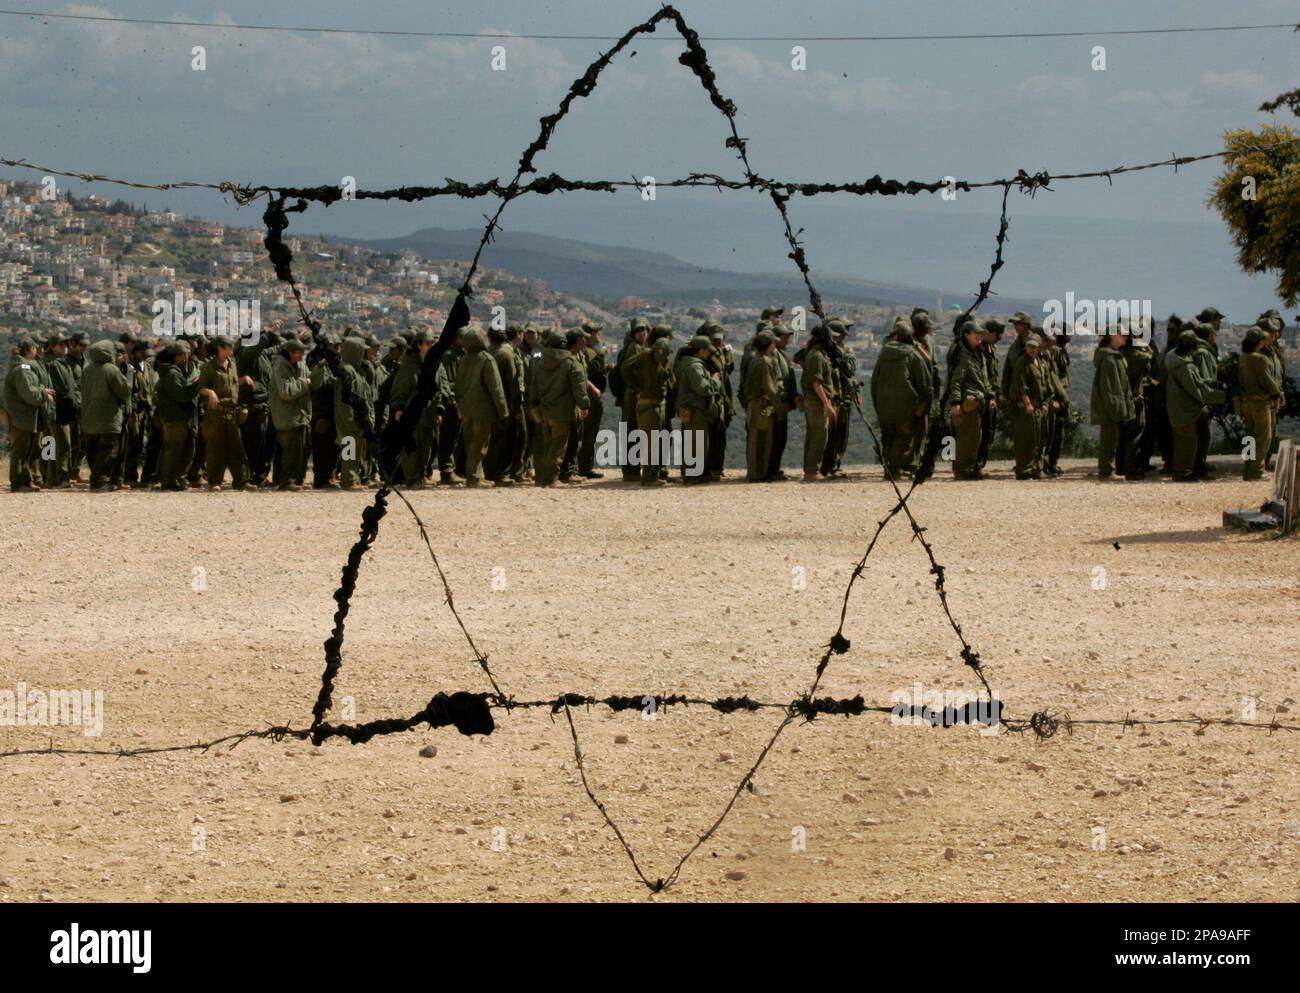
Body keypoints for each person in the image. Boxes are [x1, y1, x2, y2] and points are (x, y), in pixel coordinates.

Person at [871, 316, 930, 479]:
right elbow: (924, 384)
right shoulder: (914, 356)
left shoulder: (883, 355)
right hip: (907, 406)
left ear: (896, 335)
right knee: (903, 438)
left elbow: (874, 381)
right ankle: (895, 469)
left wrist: (877, 404)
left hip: (884, 405)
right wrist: (923, 405)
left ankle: (889, 469)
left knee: (888, 437)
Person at [1166, 328, 1226, 482]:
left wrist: (1210, 382)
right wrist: (1220, 396)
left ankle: (1184, 471)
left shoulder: (1175, 360)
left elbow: (1195, 381)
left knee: (1183, 442)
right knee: (1187, 443)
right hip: (1186, 410)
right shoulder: (1186, 366)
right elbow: (1195, 390)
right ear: (1192, 346)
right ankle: (1183, 474)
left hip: (1178, 408)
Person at [531, 329, 589, 487]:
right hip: (563, 412)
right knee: (558, 447)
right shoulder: (571, 362)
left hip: (544, 410)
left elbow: (533, 386)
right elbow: (579, 388)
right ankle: (551, 479)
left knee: (546, 444)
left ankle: (541, 477)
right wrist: (584, 405)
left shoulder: (539, 361)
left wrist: (533, 406)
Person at [195, 336, 254, 491]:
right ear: (220, 348)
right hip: (215, 414)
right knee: (215, 449)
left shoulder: (232, 365)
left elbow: (233, 383)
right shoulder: (208, 367)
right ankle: (214, 481)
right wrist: (210, 392)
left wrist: (243, 379)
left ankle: (242, 480)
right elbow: (200, 388)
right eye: (229, 347)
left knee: (237, 449)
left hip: (231, 414)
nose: (231, 349)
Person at [454, 325, 510, 487]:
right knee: (480, 444)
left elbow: (458, 385)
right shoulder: (486, 359)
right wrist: (503, 411)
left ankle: (477, 474)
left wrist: (460, 403)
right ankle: (474, 477)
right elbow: (496, 388)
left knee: (470, 441)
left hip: (466, 408)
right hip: (482, 409)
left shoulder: (464, 359)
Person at [388, 329, 441, 489]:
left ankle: (422, 475)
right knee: (412, 446)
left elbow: (438, 389)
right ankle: (412, 478)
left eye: (432, 343)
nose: (430, 346)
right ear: (419, 345)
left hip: (429, 412)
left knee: (426, 446)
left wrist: (439, 409)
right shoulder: (410, 365)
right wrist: (398, 408)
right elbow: (400, 388)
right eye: (427, 343)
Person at [270, 338, 322, 491]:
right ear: (291, 352)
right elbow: (286, 392)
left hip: (301, 416)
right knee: (291, 451)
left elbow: (312, 383)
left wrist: (319, 371)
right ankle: (287, 482)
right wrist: (304, 383)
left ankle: (296, 480)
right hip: (287, 417)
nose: (302, 355)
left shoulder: (300, 366)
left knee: (302, 450)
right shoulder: (280, 368)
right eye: (300, 352)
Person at [3, 337, 55, 492]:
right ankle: (18, 483)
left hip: (25, 416)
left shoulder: (23, 367)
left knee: (28, 450)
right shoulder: (23, 369)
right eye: (35, 348)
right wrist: (43, 394)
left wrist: (41, 390)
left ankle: (26, 480)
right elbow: (29, 393)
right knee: (20, 451)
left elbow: (32, 387)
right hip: (21, 416)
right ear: (31, 349)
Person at [623, 335, 675, 486]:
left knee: (657, 440)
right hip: (647, 403)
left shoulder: (666, 361)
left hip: (660, 403)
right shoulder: (645, 356)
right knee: (650, 441)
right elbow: (626, 368)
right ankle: (649, 477)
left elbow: (672, 381)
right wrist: (635, 387)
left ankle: (654, 474)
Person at [943, 320, 993, 480]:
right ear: (966, 335)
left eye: (980, 333)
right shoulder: (963, 356)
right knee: (965, 439)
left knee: (974, 437)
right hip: (967, 403)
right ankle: (962, 470)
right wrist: (956, 402)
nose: (979, 336)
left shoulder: (977, 354)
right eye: (975, 334)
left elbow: (984, 379)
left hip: (978, 402)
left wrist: (990, 395)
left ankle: (971, 468)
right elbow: (955, 381)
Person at [78, 339, 130, 491]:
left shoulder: (87, 369)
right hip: (109, 418)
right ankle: (101, 481)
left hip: (89, 418)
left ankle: (95, 479)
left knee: (92, 451)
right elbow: (124, 391)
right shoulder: (111, 370)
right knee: (107, 451)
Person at [332, 335, 378, 491]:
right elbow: (343, 401)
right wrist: (350, 420)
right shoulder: (347, 370)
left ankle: (352, 478)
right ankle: (348, 480)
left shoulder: (356, 370)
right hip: (349, 421)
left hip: (356, 420)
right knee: (349, 451)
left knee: (356, 451)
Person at [155, 340, 201, 491]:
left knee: (184, 449)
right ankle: (168, 481)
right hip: (175, 418)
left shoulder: (175, 371)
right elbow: (181, 395)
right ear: (176, 357)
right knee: (174, 450)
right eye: (183, 354)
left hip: (181, 417)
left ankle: (175, 478)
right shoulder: (172, 373)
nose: (187, 356)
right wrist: (197, 385)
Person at [675, 335, 721, 483]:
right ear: (700, 350)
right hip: (696, 411)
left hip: (693, 410)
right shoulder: (694, 367)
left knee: (695, 444)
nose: (709, 354)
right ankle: (692, 476)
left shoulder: (688, 363)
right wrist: (715, 381)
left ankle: (694, 475)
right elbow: (703, 388)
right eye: (707, 350)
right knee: (696, 445)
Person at [1238, 326, 1282, 481]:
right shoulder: (1260, 359)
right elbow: (1268, 381)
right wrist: (1277, 395)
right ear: (1258, 341)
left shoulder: (1243, 357)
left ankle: (1247, 468)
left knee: (1249, 437)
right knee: (1263, 437)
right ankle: (1256, 471)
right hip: (1260, 403)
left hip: (1247, 402)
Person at [1090, 329, 1134, 480]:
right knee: (1108, 439)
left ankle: (1108, 470)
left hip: (1114, 406)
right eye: (1122, 334)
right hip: (1110, 408)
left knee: (1112, 439)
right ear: (1112, 336)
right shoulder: (1109, 359)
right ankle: (1106, 471)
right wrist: (1116, 410)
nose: (1126, 337)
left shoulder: (1114, 356)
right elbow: (1110, 389)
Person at [799, 325, 837, 481]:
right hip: (816, 403)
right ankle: (812, 470)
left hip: (814, 401)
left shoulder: (816, 354)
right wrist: (827, 404)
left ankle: (811, 469)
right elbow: (816, 383)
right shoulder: (816, 356)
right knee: (819, 436)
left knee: (815, 435)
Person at [742, 329, 781, 482]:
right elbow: (770, 388)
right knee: (760, 441)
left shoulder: (756, 359)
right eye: (773, 343)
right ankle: (757, 474)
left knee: (757, 440)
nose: (774, 345)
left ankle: (757, 473)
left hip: (755, 406)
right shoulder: (765, 361)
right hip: (761, 407)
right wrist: (779, 409)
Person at [615, 318, 650, 480]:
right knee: (633, 431)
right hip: (633, 396)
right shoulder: (635, 349)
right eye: (639, 330)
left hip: (631, 395)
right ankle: (631, 472)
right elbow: (629, 371)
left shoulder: (636, 347)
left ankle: (632, 470)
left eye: (645, 329)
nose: (642, 332)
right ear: (633, 333)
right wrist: (638, 388)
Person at [1010, 333, 1047, 479]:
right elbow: (1021, 385)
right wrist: (1027, 403)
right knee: (1025, 439)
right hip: (1027, 406)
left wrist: (1044, 403)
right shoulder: (1022, 362)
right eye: (1029, 346)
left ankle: (1036, 468)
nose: (1032, 349)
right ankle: (1023, 470)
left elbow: (1043, 384)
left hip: (1038, 405)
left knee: (1037, 439)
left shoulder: (1040, 362)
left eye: (1034, 346)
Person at [577, 322, 607, 479]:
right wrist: (601, 354)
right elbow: (593, 370)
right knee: (587, 433)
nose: (599, 335)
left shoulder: (588, 351)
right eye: (596, 332)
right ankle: (581, 467)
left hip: (593, 396)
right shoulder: (588, 352)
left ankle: (585, 467)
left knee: (590, 433)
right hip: (590, 397)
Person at [1191, 322, 1220, 479]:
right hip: (1203, 402)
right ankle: (1199, 469)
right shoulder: (1203, 353)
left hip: (1200, 401)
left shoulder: (1200, 351)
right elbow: (1205, 379)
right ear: (1210, 336)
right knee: (1203, 436)